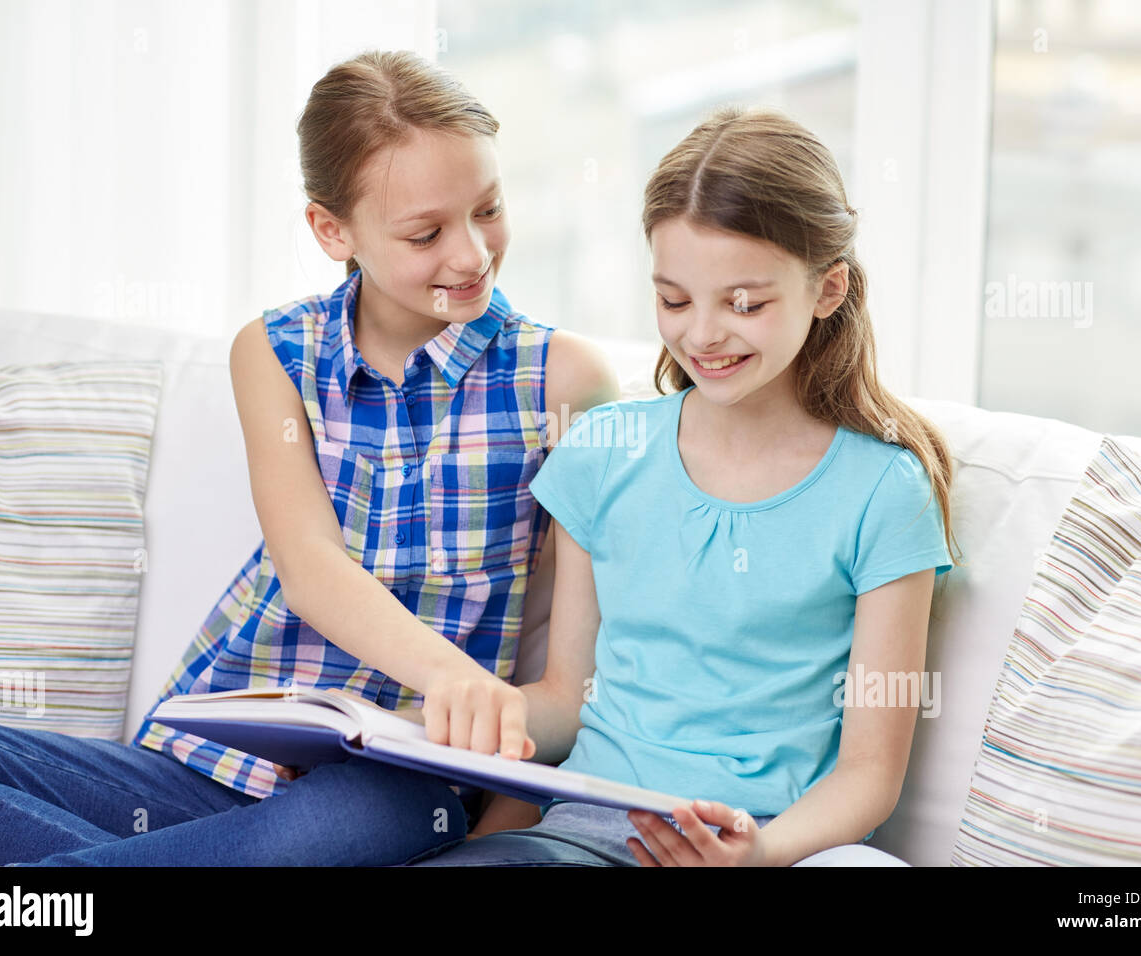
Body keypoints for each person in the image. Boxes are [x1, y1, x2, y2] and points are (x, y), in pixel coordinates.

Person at [0, 49, 617, 866]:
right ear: (333, 231)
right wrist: (451, 674)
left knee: (351, 817)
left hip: (391, 793)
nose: (472, 254)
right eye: (426, 233)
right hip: (202, 776)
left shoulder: (563, 381)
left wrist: (490, 772)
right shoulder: (274, 351)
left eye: (489, 209)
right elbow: (309, 565)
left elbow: (566, 698)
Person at [407, 105, 964, 867]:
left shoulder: (884, 491)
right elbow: (568, 699)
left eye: (745, 303)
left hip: (771, 846)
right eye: (674, 300)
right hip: (585, 835)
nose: (702, 334)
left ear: (827, 289)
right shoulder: (603, 451)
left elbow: (868, 776)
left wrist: (759, 851)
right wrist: (446, 724)